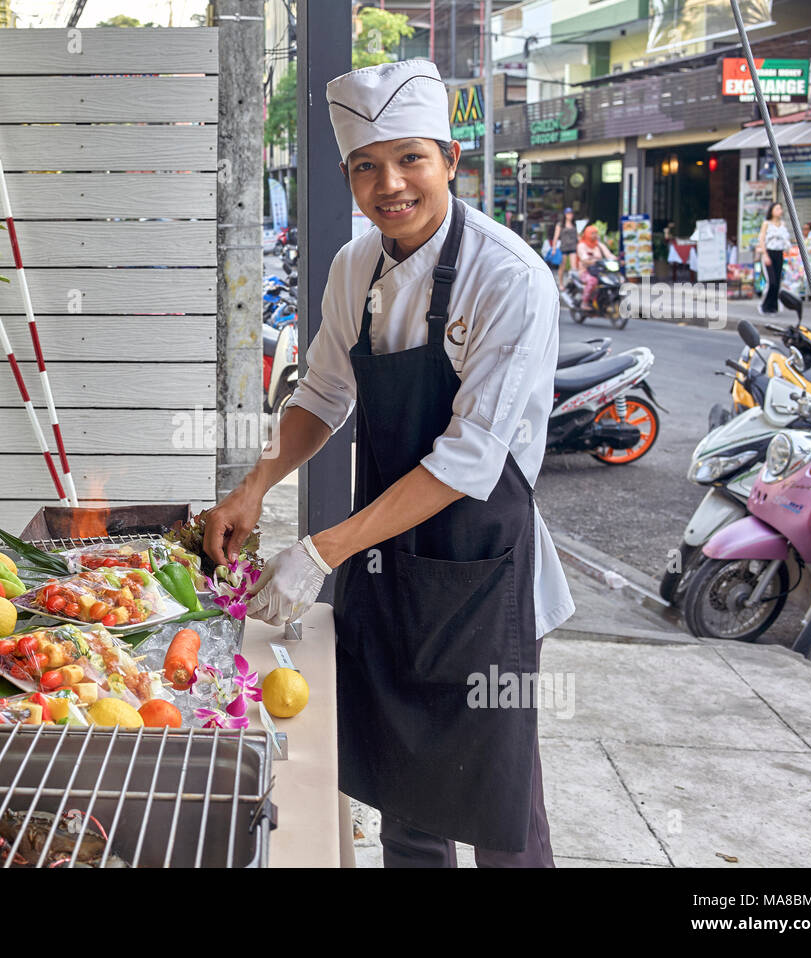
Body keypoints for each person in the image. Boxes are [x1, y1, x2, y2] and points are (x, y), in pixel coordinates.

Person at [202, 59, 574, 868]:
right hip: (391, 565)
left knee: (500, 803)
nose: (390, 184)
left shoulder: (507, 278)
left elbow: (469, 459)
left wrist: (323, 548)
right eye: (367, 166)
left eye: (411, 158)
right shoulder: (352, 266)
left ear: (450, 160)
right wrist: (253, 487)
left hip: (482, 572)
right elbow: (323, 394)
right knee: (407, 796)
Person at [756, 201, 789, 314]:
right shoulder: (766, 223)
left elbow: (785, 240)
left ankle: (774, 307)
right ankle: (764, 305)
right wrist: (765, 255)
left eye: (780, 209)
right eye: (777, 209)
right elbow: (761, 240)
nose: (780, 211)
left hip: (779, 253)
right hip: (769, 253)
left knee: (778, 282)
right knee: (772, 282)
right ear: (772, 211)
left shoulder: (783, 224)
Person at [576, 225, 616, 311]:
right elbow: (584, 258)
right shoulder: (581, 245)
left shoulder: (599, 245)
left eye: (596, 233)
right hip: (585, 271)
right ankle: (584, 303)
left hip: (599, 271)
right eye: (592, 233)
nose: (595, 235)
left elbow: (608, 255)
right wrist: (590, 261)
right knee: (592, 281)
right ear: (587, 234)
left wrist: (616, 259)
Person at [551, 207, 578, 290]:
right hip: (564, 247)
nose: (570, 215)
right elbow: (556, 236)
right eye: (568, 214)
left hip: (573, 246)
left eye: (571, 214)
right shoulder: (560, 224)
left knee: (574, 267)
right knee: (562, 266)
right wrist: (554, 248)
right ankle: (561, 283)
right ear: (565, 215)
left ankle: (572, 283)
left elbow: (577, 235)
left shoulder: (574, 224)